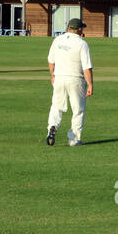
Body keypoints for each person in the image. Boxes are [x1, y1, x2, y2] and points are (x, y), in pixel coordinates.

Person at [46, 18, 93, 147]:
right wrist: (90, 84)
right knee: (78, 110)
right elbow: (86, 67)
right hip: (76, 79)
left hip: (59, 78)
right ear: (79, 29)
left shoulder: (57, 40)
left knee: (56, 106)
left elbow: (51, 61)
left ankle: (53, 126)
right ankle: (73, 139)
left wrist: (53, 76)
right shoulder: (82, 44)